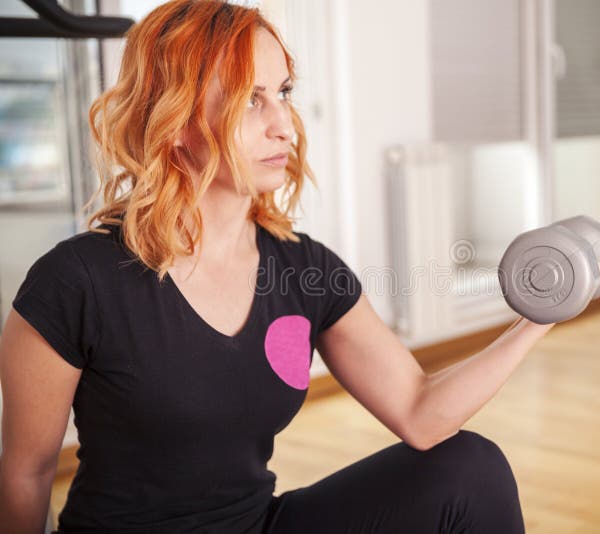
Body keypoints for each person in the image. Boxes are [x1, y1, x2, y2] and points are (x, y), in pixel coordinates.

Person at [0, 1, 554, 532]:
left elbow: (420, 410)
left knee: (470, 470)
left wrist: (540, 315)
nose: (284, 125)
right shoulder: (77, 281)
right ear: (174, 117)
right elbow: (26, 474)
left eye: (283, 93)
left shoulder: (305, 270)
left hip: (255, 524)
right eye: (249, 99)